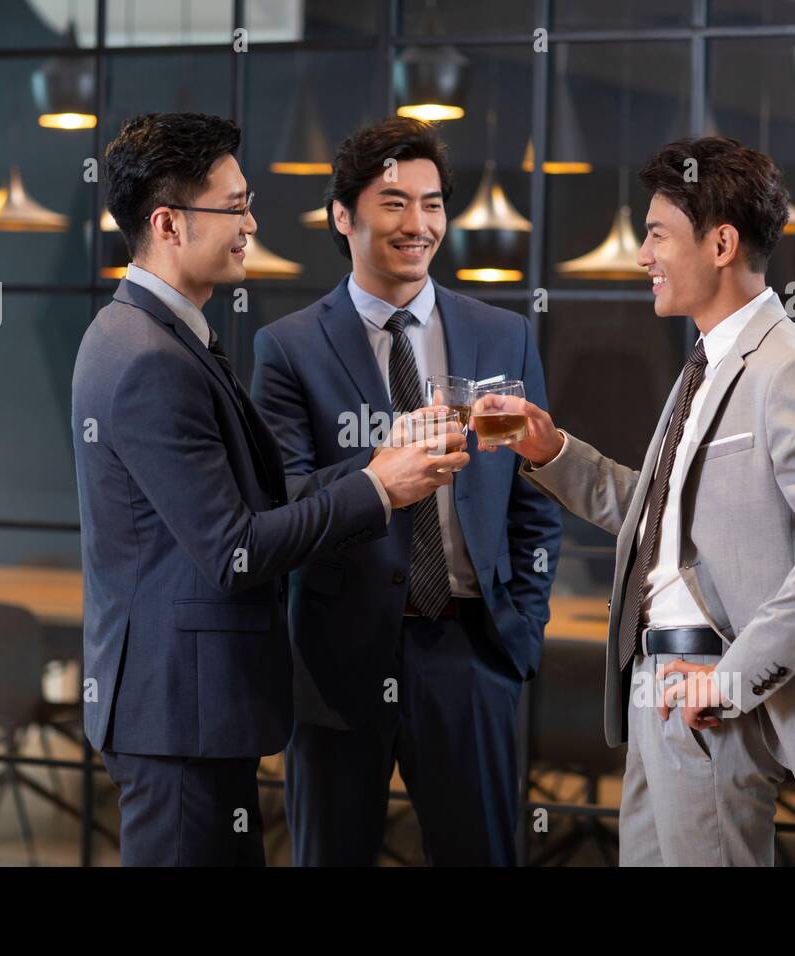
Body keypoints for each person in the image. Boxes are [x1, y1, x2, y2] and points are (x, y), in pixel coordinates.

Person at [71, 112, 466, 866]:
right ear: (168, 223)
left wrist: (376, 462)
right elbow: (236, 550)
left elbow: (255, 499)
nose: (253, 223)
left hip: (191, 713)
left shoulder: (162, 335)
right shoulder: (150, 359)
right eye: (235, 206)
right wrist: (379, 492)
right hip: (178, 718)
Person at [482, 136, 795, 865]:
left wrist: (729, 682)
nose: (642, 254)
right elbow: (664, 516)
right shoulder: (705, 364)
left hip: (711, 699)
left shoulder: (790, 368)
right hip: (657, 691)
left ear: (722, 243)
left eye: (658, 234)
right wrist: (551, 453)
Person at [251, 116, 562, 865]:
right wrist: (377, 474)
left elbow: (536, 492)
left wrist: (521, 621)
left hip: (471, 651)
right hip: (337, 658)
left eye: (431, 203)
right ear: (341, 215)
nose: (417, 224)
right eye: (393, 202)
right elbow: (282, 500)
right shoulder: (287, 347)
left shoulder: (502, 335)